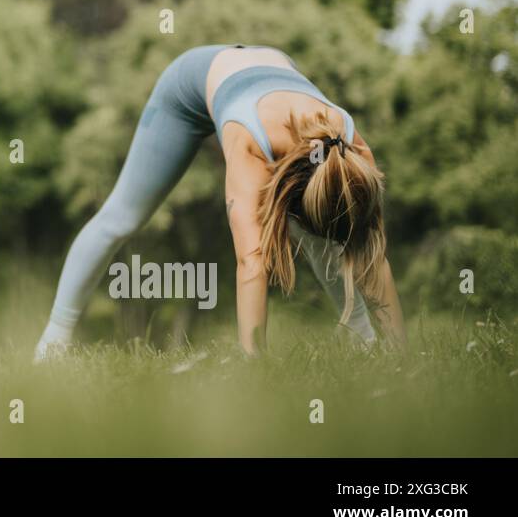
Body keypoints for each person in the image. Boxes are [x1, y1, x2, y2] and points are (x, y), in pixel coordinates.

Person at [36, 43, 408, 360]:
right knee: (122, 218)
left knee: (319, 232)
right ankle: (52, 344)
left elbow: (374, 257)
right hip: (187, 86)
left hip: (266, 67)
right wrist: (255, 367)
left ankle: (365, 343)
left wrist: (402, 357)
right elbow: (251, 264)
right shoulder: (250, 143)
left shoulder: (352, 153)